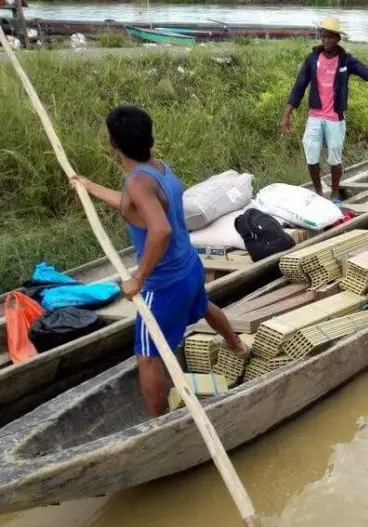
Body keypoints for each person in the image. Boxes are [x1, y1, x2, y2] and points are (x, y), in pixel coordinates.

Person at [70, 105, 247, 417]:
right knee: (204, 305)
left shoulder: (138, 182)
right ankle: (236, 345)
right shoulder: (158, 169)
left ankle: (157, 422)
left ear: (112, 144)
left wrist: (139, 278)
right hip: (190, 267)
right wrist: (89, 187)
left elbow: (160, 229)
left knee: (147, 355)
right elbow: (133, 206)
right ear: (149, 138)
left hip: (163, 284)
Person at [280, 16, 368, 199]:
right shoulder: (312, 58)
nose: (326, 40)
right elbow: (299, 86)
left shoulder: (346, 61)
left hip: (335, 118)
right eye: (323, 36)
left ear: (338, 38)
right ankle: (319, 191)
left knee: (335, 158)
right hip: (315, 116)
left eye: (330, 36)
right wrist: (286, 115)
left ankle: (335, 193)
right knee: (311, 156)